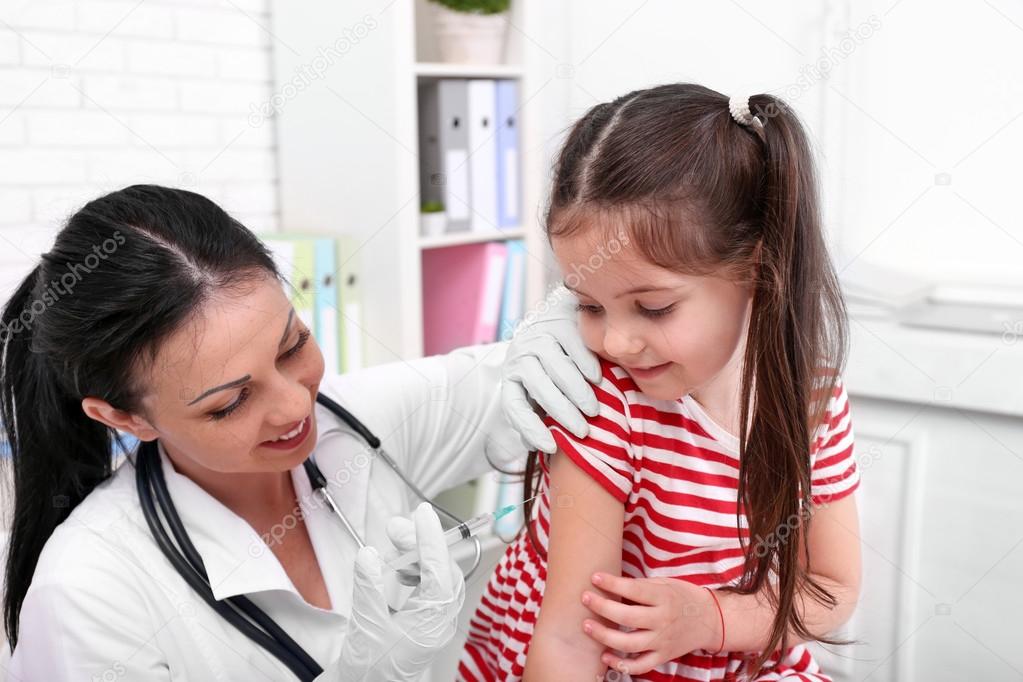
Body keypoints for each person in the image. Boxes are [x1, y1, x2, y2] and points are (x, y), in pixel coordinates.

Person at [0, 184, 597, 680]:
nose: (295, 407)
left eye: (292, 347)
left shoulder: (357, 422)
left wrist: (581, 306)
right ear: (124, 418)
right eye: (230, 403)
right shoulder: (87, 595)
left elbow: (528, 377)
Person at [459, 84, 862, 681]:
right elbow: (570, 641)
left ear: (756, 265)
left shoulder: (813, 399)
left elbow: (832, 589)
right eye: (588, 306)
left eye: (652, 308)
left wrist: (709, 619)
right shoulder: (603, 403)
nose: (616, 343)